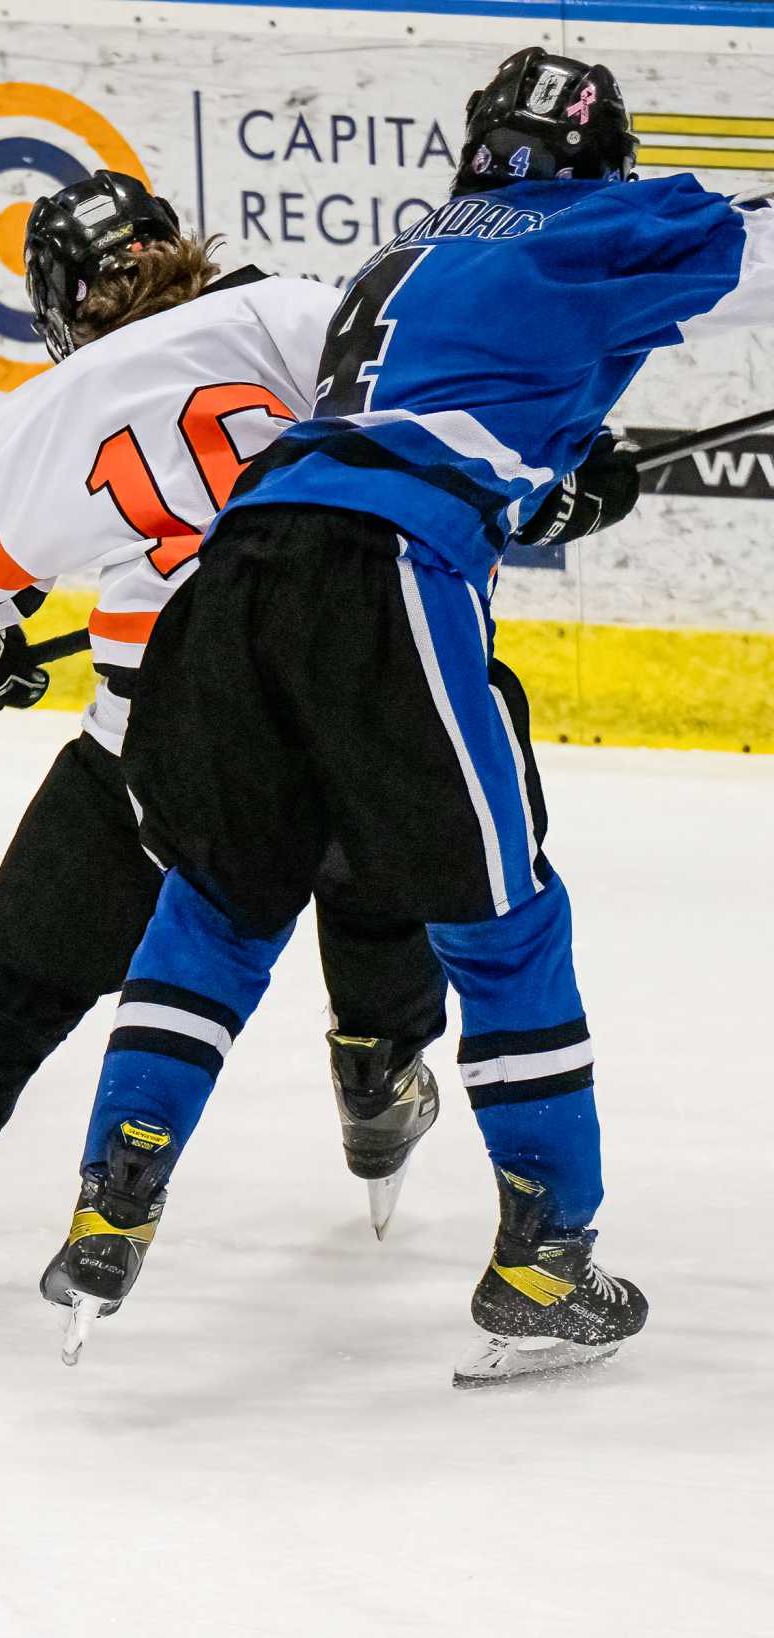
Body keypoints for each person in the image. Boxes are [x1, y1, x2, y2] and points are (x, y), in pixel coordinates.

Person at [44, 48, 755, 1385]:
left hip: (244, 571)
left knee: (219, 905)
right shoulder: (597, 222)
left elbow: (418, 426)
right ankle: (546, 1259)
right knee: (501, 916)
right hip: (385, 582)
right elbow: (744, 248)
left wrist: (540, 488)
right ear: (593, 154)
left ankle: (111, 1197)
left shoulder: (404, 254)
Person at [0, 173, 498, 1329]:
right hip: (352, 688)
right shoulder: (318, 314)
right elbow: (461, 439)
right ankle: (379, 1065)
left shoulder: (45, 415)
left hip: (167, 732)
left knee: (11, 982)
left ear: (61, 310)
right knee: (374, 834)